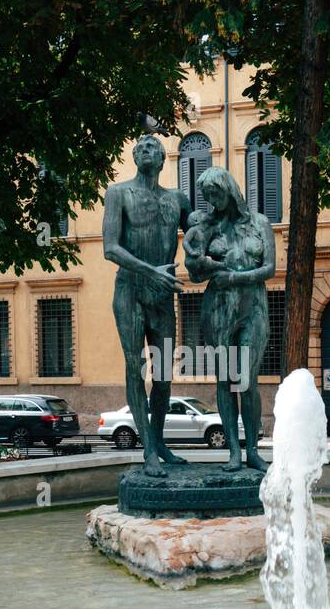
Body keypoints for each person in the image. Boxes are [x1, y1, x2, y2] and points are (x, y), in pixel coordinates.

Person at [102, 135, 190, 477]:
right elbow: (110, 247)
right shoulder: (118, 193)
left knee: (165, 377)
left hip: (163, 296)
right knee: (135, 368)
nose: (144, 150)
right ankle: (149, 451)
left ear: (163, 157)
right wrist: (150, 270)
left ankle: (159, 441)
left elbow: (198, 235)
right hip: (130, 290)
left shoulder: (177, 200)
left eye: (151, 146)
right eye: (138, 148)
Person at [182, 166, 276, 472]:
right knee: (224, 381)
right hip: (218, 310)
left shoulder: (260, 223)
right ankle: (233, 452)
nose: (212, 199)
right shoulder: (208, 227)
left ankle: (253, 451)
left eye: (215, 192)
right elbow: (195, 275)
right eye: (207, 195)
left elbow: (270, 269)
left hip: (254, 309)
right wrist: (200, 261)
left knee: (247, 382)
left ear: (229, 189)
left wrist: (234, 277)